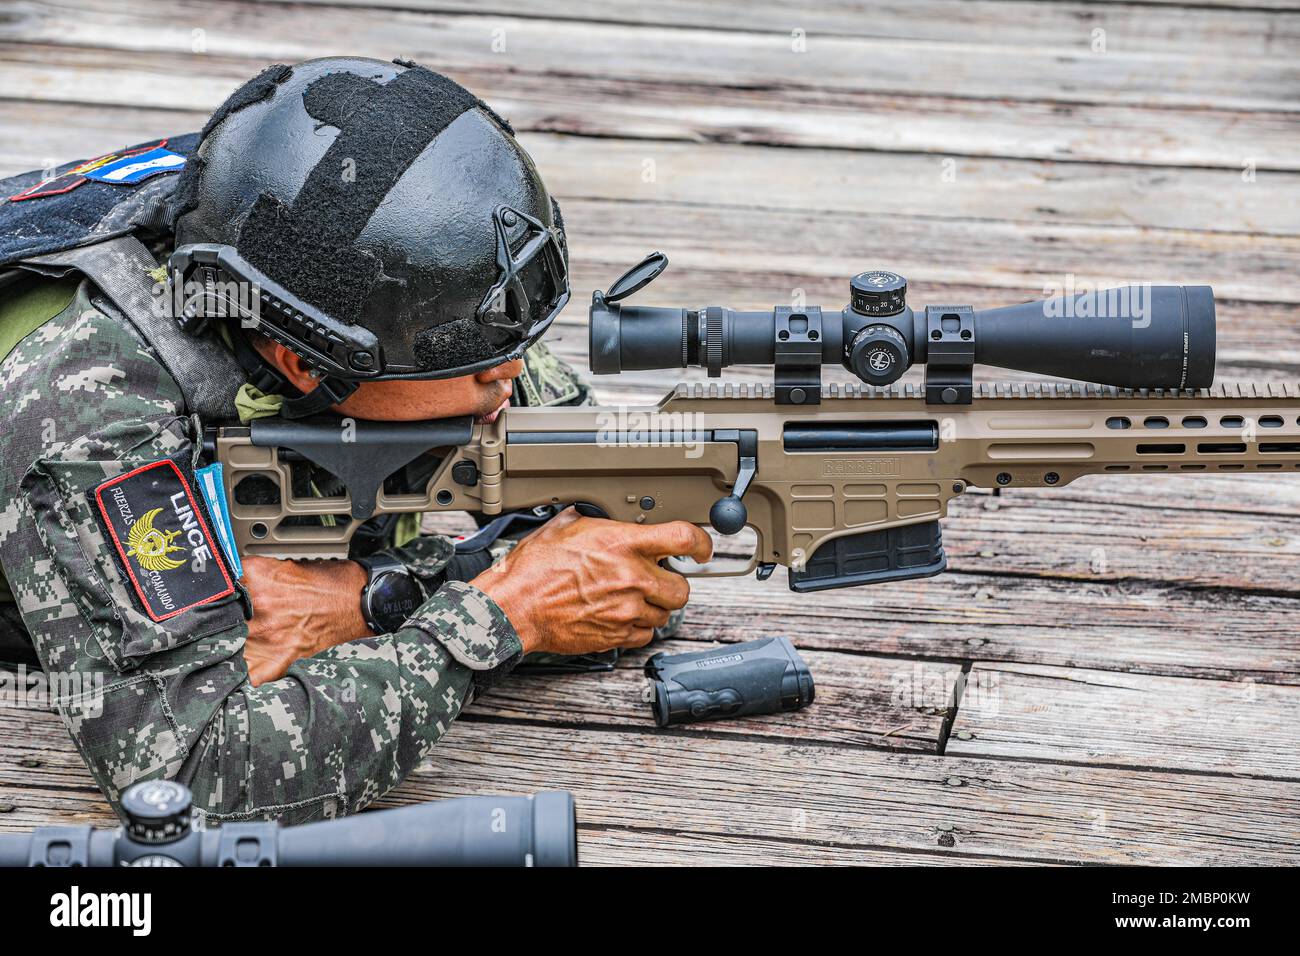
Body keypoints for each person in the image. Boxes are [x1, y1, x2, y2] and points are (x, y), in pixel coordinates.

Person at [0, 56, 710, 823]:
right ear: (305, 359)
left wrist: (375, 600)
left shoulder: (356, 269)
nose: (512, 372)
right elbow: (192, 779)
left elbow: (614, 560)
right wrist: (494, 617)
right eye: (468, 362)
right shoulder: (88, 413)